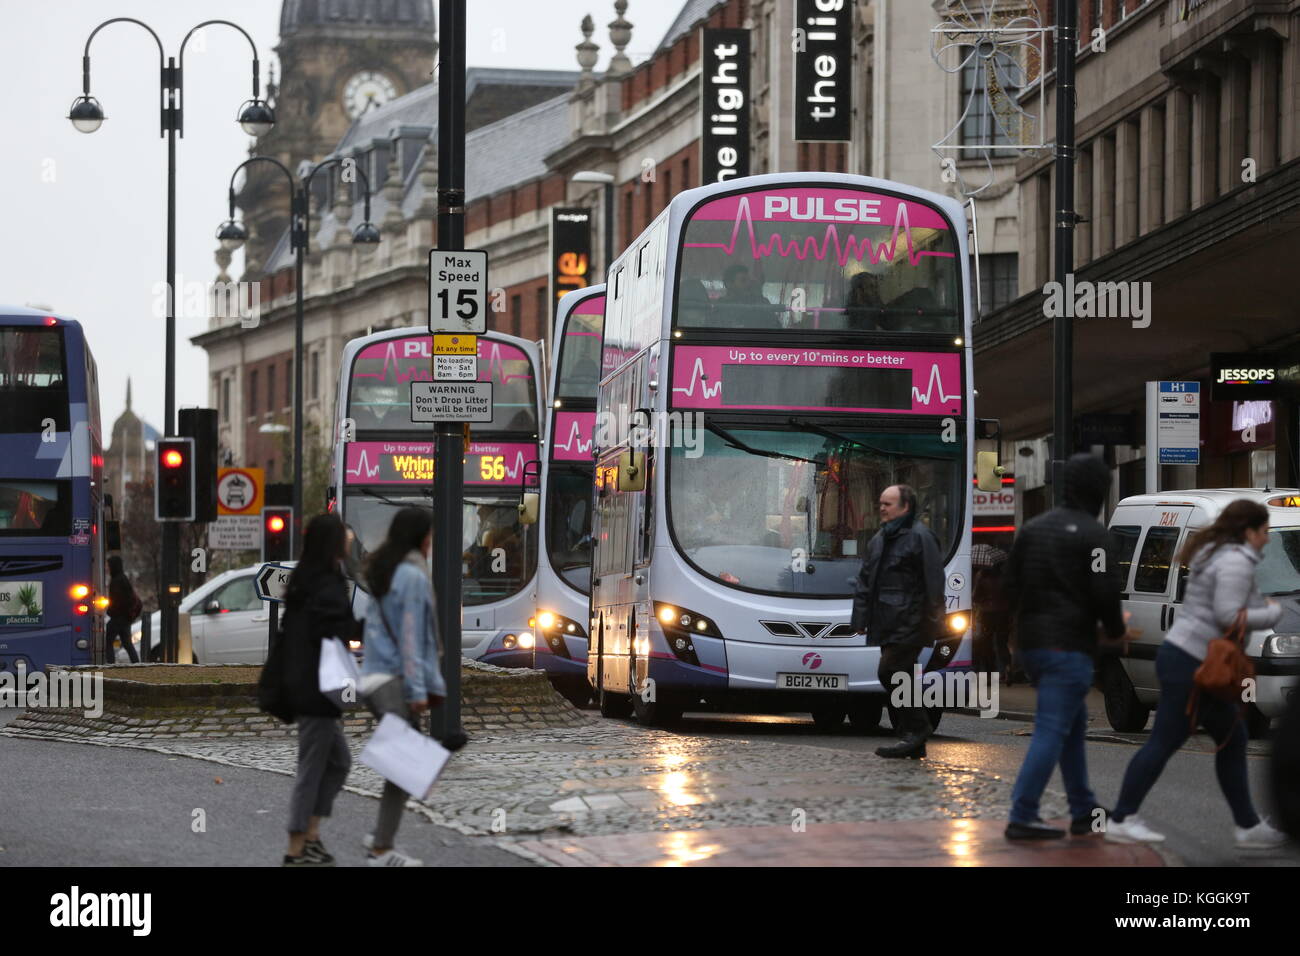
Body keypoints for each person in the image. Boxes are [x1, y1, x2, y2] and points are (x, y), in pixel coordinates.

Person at [1106, 500, 1288, 849]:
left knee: (1231, 739)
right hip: (1192, 663)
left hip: (1188, 659)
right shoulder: (1234, 561)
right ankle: (1121, 818)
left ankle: (1248, 825)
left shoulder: (1219, 555)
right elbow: (1227, 613)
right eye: (1264, 532)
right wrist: (1271, 613)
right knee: (1165, 741)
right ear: (1249, 531)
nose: (1266, 539)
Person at [1002, 453, 1126, 840]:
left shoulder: (1032, 530)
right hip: (1069, 646)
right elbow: (1105, 592)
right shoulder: (1095, 536)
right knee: (1052, 730)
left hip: (1034, 646)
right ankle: (1022, 814)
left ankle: (1082, 809)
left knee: (1071, 728)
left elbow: (1009, 588)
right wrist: (1116, 631)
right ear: (1098, 490)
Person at [360, 506, 445, 867]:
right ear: (419, 536)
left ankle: (380, 837)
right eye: (429, 533)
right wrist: (416, 691)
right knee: (404, 767)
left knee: (403, 764)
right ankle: (381, 848)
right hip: (396, 681)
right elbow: (411, 638)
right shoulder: (411, 576)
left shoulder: (387, 570)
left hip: (376, 678)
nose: (431, 541)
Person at [279, 513, 360, 867]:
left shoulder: (310, 578)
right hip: (318, 692)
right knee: (311, 769)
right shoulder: (325, 584)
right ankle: (295, 850)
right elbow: (338, 628)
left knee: (339, 762)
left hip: (314, 688)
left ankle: (310, 836)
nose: (351, 539)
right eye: (346, 534)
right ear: (333, 542)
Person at [850, 483, 945, 759]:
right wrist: (859, 618)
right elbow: (866, 581)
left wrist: (932, 621)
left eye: (888, 503)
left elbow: (933, 582)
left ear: (905, 507)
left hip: (912, 621)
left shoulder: (920, 536)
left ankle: (918, 727)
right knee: (902, 676)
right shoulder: (880, 537)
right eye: (880, 503)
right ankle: (913, 741)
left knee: (889, 672)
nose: (882, 508)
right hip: (886, 621)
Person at [105, 555, 141, 663]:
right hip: (126, 618)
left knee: (108, 642)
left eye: (109, 565)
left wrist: (109, 611)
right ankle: (137, 664)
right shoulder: (123, 578)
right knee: (127, 643)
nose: (107, 568)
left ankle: (111, 665)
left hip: (118, 617)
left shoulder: (116, 581)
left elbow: (117, 602)